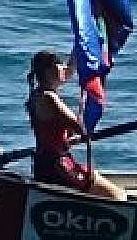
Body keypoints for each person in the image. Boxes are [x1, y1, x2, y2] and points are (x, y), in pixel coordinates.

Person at [25, 49, 126, 200]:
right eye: (60, 66)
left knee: (96, 180)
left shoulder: (36, 95)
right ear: (49, 71)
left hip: (44, 163)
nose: (65, 70)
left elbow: (70, 69)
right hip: (57, 165)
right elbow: (78, 125)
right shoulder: (49, 98)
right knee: (118, 196)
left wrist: (80, 48)